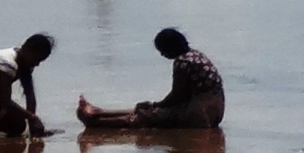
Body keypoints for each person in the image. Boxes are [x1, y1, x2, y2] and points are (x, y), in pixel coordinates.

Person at [77, 27, 224, 129]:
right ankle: (99, 112)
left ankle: (96, 122)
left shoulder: (183, 62)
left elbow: (176, 96)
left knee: (147, 115)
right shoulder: (196, 55)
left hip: (200, 114)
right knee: (150, 110)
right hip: (214, 111)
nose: (162, 55)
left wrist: (155, 104)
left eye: (163, 51)